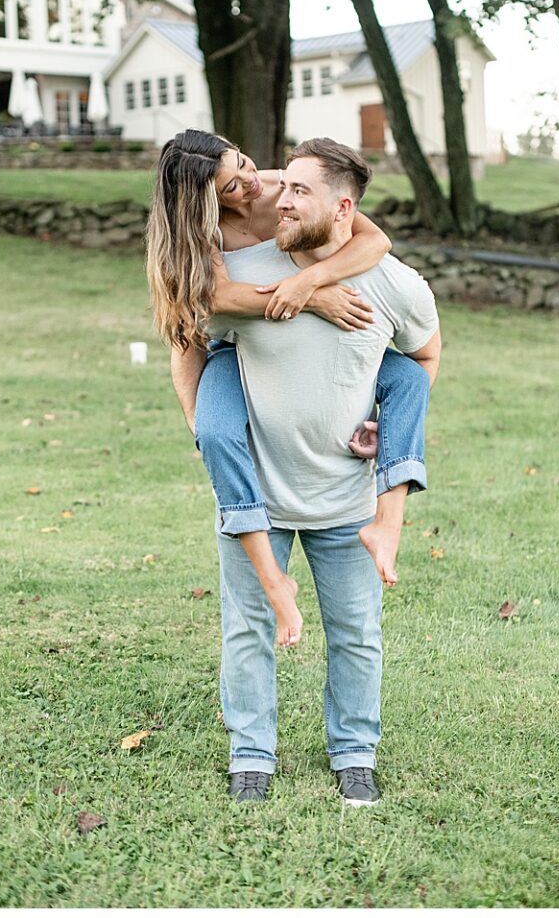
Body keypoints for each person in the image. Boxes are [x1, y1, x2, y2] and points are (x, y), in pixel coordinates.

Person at [205, 136, 440, 805]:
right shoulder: (242, 270)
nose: (280, 196)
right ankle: (251, 755)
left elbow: (422, 363)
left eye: (299, 191)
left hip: (346, 500)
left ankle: (355, 753)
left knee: (357, 634)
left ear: (344, 209)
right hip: (262, 496)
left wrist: (387, 424)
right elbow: (190, 338)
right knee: (246, 629)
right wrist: (204, 427)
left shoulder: (394, 285)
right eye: (284, 185)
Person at [146, 130, 430, 650]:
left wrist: (310, 281)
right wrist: (198, 420)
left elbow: (374, 239)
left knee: (409, 378)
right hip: (239, 345)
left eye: (245, 162)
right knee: (215, 428)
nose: (253, 184)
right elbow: (205, 304)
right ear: (205, 203)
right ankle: (275, 584)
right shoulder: (204, 233)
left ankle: (391, 515)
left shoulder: (283, 185)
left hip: (309, 335)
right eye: (233, 186)